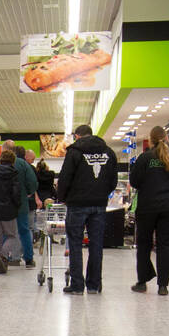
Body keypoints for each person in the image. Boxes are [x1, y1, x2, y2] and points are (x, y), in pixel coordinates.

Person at [129, 125, 169, 296]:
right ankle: (163, 286)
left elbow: (134, 182)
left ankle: (142, 282)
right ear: (166, 138)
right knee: (164, 245)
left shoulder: (144, 158)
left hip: (147, 206)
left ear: (151, 139)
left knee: (144, 244)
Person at [56, 124, 117, 294]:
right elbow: (113, 180)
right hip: (99, 204)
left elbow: (65, 178)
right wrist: (102, 194)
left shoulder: (75, 152)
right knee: (96, 245)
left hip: (77, 204)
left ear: (77, 136)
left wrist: (63, 198)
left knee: (75, 244)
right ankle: (94, 285)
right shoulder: (109, 152)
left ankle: (77, 285)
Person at [13, 145, 39, 268]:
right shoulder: (25, 166)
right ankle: (28, 259)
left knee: (5, 232)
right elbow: (33, 184)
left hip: (3, 205)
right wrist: (28, 193)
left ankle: (8, 257)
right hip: (21, 204)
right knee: (24, 230)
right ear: (24, 155)